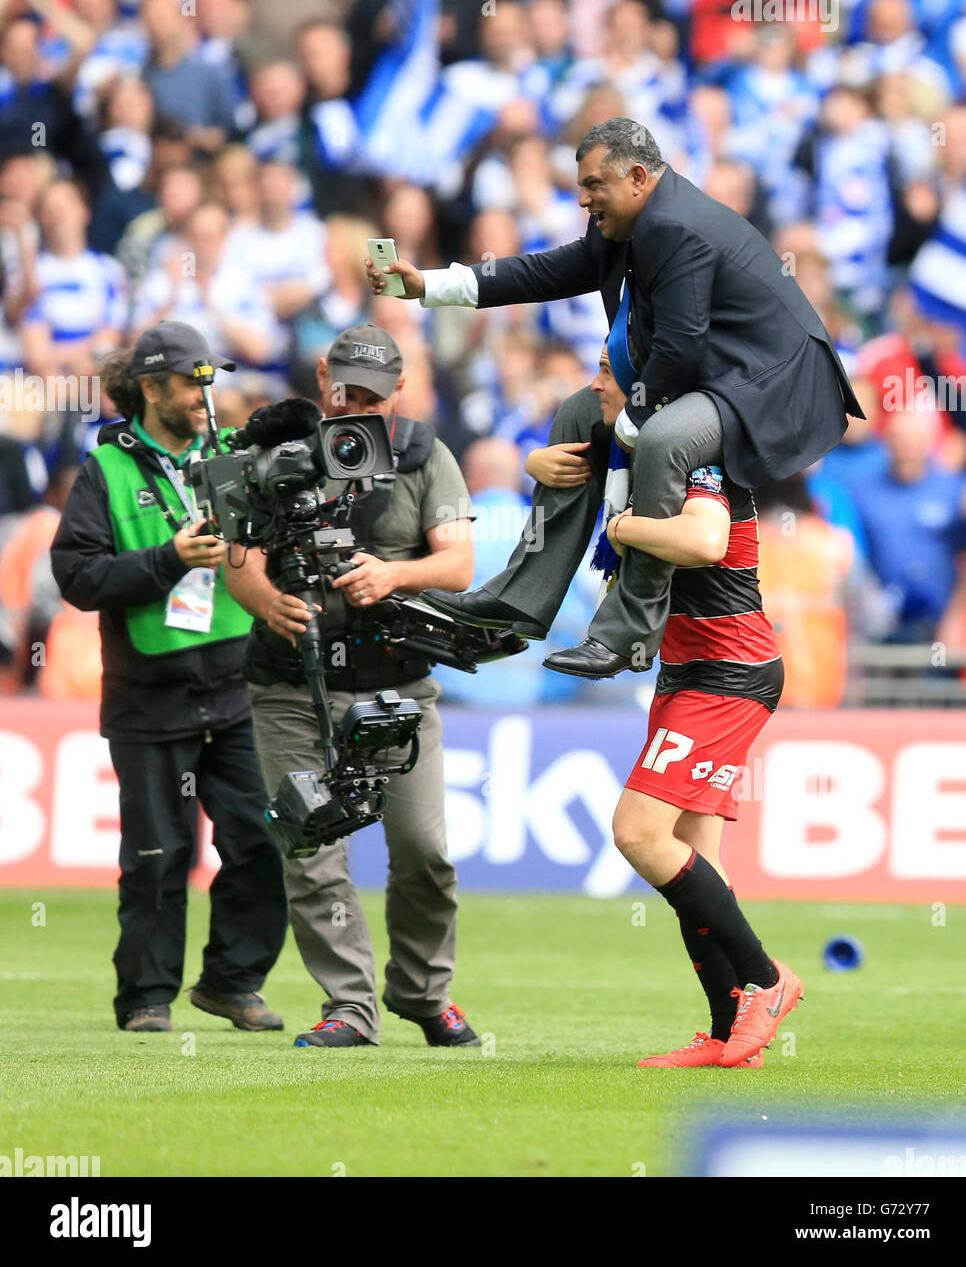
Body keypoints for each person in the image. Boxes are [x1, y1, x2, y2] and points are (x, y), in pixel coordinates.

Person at [367, 116, 863, 679]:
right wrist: (432, 285)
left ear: (635, 177)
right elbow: (551, 271)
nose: (582, 199)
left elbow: (678, 350)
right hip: (716, 374)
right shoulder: (627, 223)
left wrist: (628, 437)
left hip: (772, 388)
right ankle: (518, 601)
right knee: (582, 411)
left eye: (592, 185)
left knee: (663, 436)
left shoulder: (676, 226)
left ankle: (624, 635)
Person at [223, 324, 482, 1050]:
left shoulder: (427, 454)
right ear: (320, 374)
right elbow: (237, 555)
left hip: (394, 684)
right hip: (287, 683)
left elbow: (458, 565)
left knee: (425, 848)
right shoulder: (272, 455)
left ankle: (423, 994)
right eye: (344, 390)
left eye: (371, 394)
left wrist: (393, 573)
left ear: (399, 391)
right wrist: (265, 601)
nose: (353, 405)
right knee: (310, 847)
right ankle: (349, 1008)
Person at [560, 345, 801, 1068]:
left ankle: (766, 979)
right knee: (694, 860)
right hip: (690, 669)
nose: (595, 382)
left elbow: (704, 539)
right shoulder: (642, 456)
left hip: (728, 671)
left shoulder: (702, 460)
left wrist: (627, 528)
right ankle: (730, 1033)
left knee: (637, 832)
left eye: (607, 371)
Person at [49, 322, 288, 1034]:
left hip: (238, 683)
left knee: (256, 838)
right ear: (151, 390)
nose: (205, 396)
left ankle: (232, 982)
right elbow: (78, 577)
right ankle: (146, 997)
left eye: (210, 381)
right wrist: (169, 561)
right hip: (149, 693)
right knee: (158, 853)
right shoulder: (106, 470)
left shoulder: (231, 455)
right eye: (192, 382)